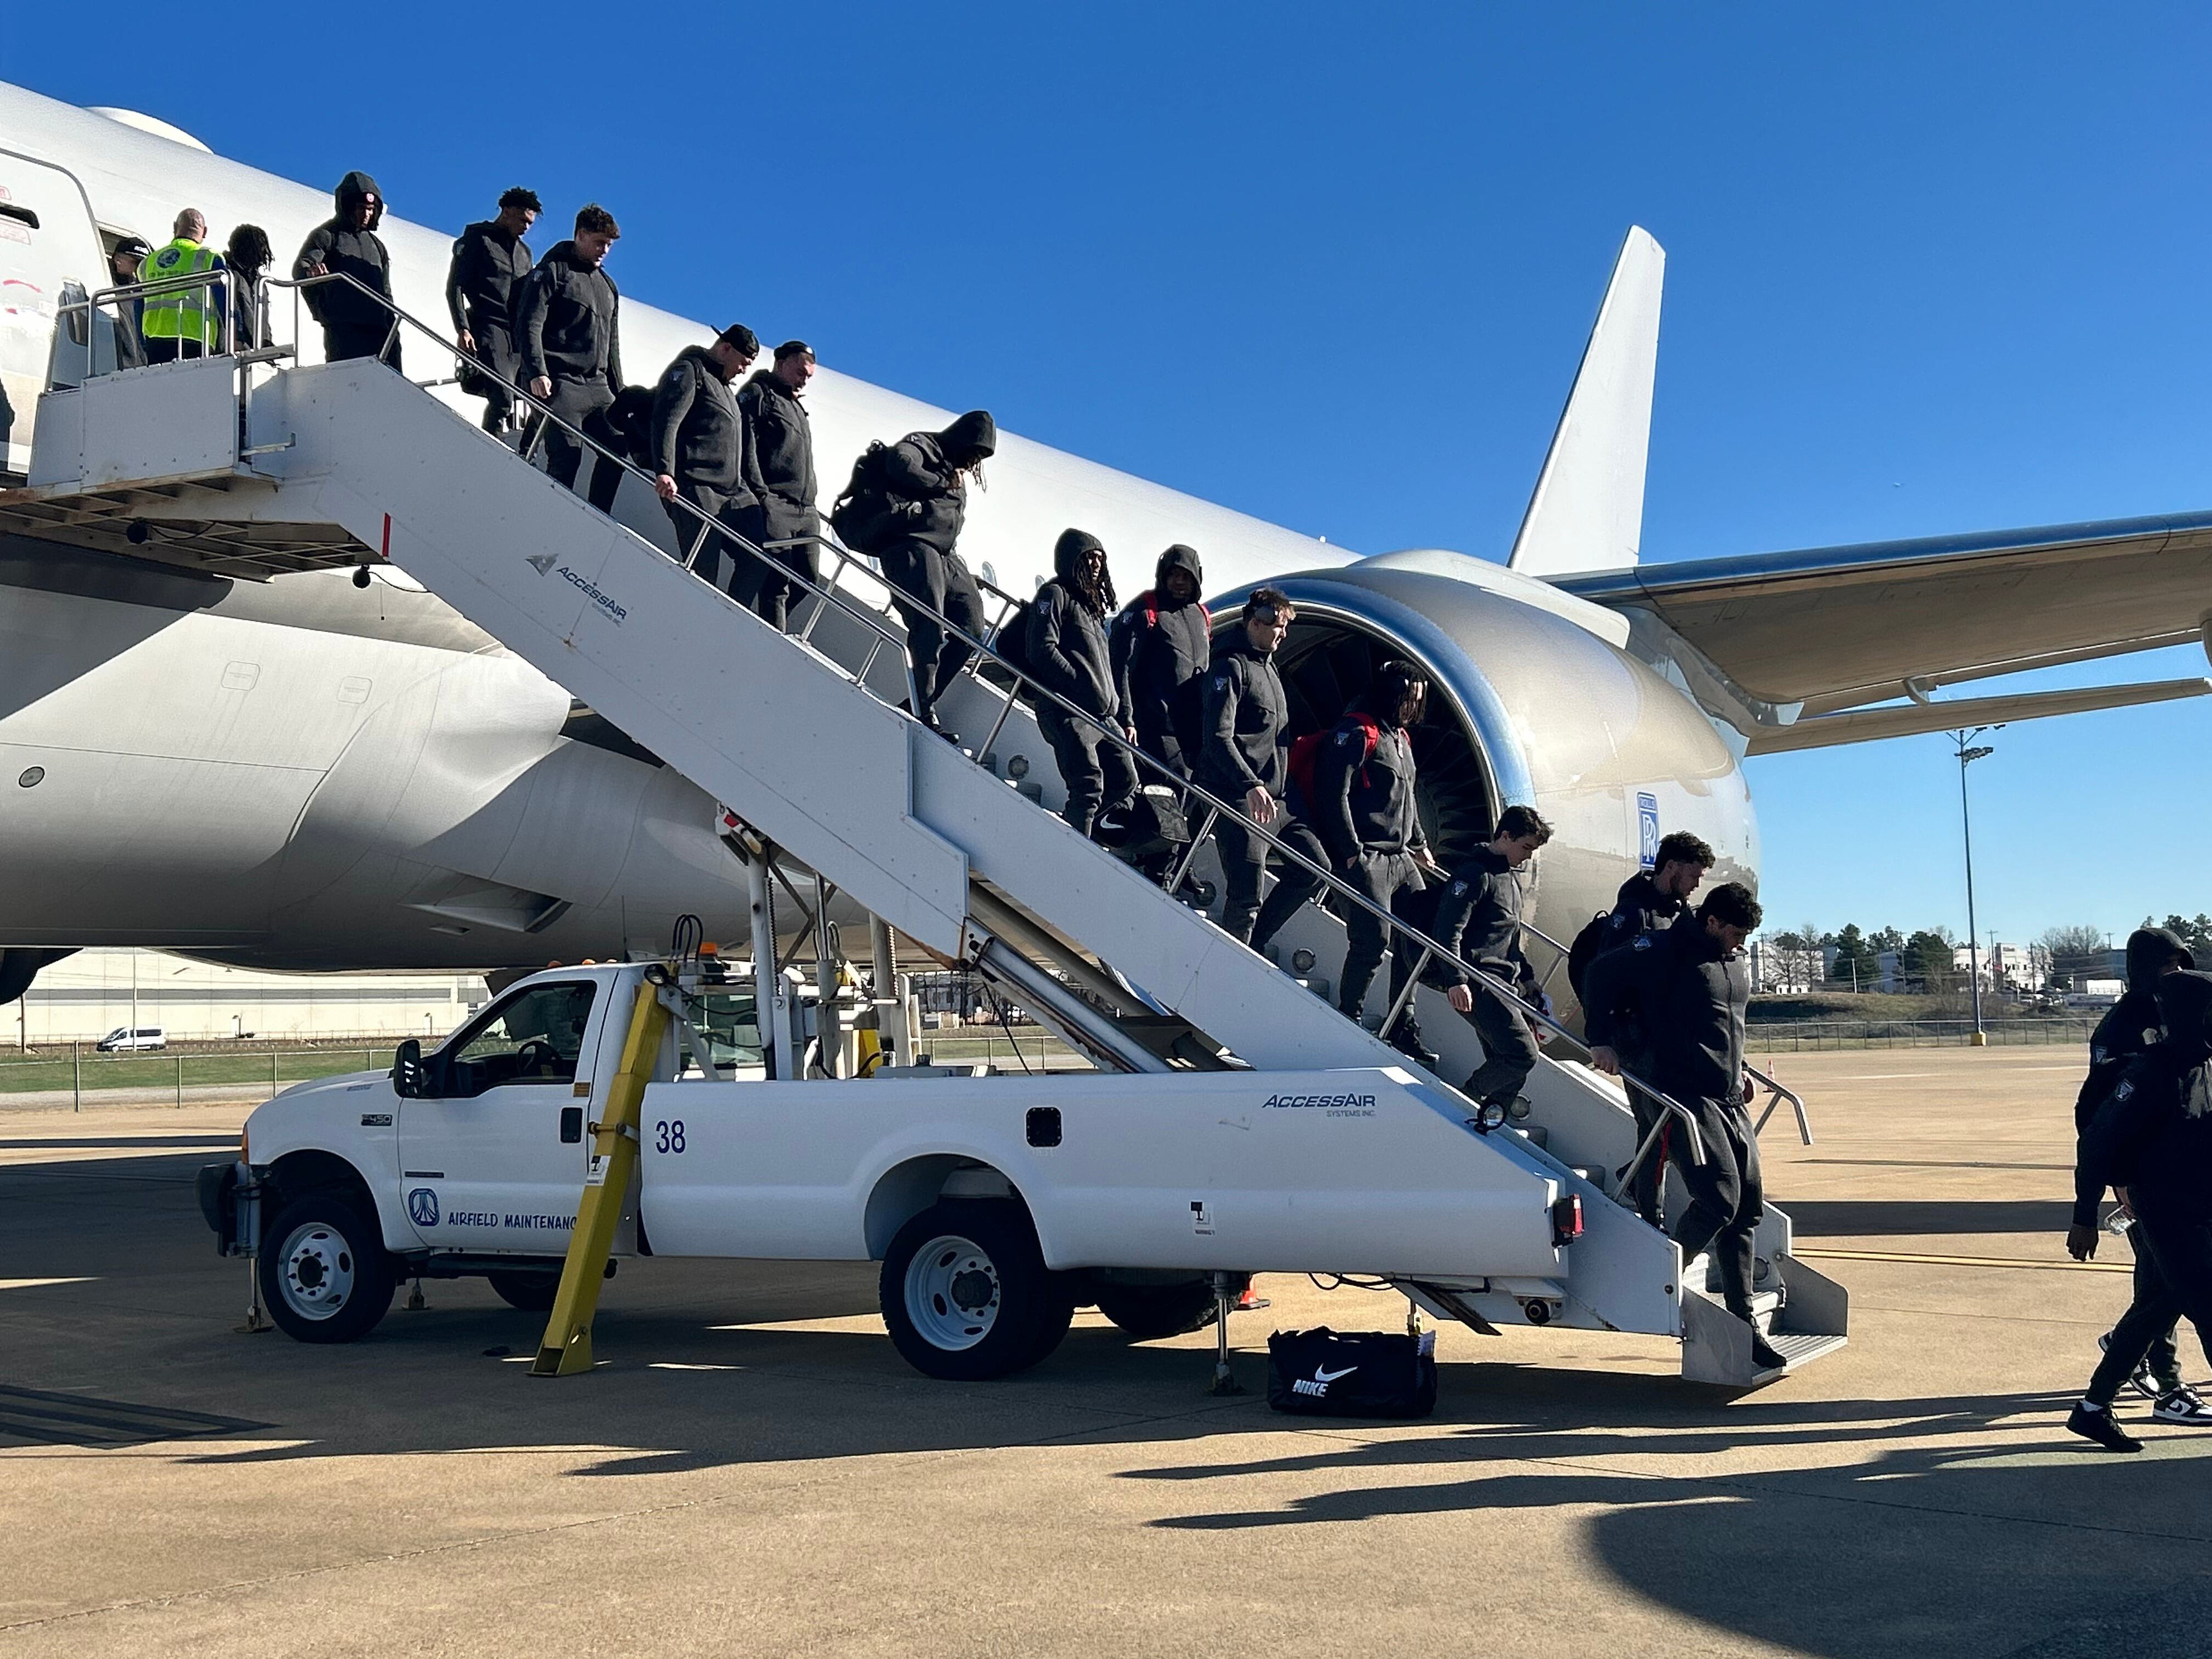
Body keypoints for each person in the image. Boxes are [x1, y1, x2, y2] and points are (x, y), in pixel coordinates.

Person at [1585, 882, 1784, 1372]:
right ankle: (1660, 1276)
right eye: (1735, 933)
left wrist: (1740, 1069)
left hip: (1729, 1097)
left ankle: (1743, 1323)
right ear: (1712, 920)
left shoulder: (1732, 961)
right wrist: (1600, 1040)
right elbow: (1597, 974)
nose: (1740, 945)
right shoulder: (1663, 949)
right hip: (1683, 1097)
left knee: (1746, 1211)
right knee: (1718, 1200)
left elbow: (1725, 1022)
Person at [2066, 969, 2212, 1450]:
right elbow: (2097, 1143)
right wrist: (2083, 1215)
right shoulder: (2149, 1073)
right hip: (2167, 1211)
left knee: (2156, 1307)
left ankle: (2091, 1409)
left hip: (2199, 1205)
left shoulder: (2205, 1066)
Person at [1578, 830, 1717, 1223]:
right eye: (1692, 876)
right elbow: (1600, 976)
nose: (1695, 886)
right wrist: (1601, 1039)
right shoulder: (1633, 915)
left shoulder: (1675, 912)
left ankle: (1636, 1180)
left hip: (1662, 1033)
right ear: (1670, 867)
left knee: (1660, 1125)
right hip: (1634, 1035)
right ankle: (1648, 1209)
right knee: (1659, 1123)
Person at [1310, 662, 1443, 1024]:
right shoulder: (1356, 733)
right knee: (1371, 941)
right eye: (1407, 699)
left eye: (1417, 700)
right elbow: (1331, 794)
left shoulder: (1401, 740)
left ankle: (1402, 1020)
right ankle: (1348, 1017)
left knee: (1416, 939)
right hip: (1367, 857)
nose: (1412, 708)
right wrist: (1351, 852)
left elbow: (1408, 797)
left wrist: (1418, 843)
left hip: (1401, 858)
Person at [1419, 806, 1556, 1113]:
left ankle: (1488, 1120)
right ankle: (1462, 1102)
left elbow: (1508, 936)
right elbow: (1447, 929)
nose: (1529, 856)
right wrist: (1456, 980)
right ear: (1506, 836)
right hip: (1479, 981)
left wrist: (1527, 976)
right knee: (1522, 1055)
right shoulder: (1475, 873)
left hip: (1505, 983)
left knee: (1508, 1067)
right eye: (1526, 847)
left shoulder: (1509, 879)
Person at [874, 411, 995, 732]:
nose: (974, 462)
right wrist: (940, 482)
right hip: (913, 545)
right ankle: (923, 707)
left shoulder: (960, 472)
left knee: (972, 627)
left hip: (946, 554)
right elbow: (900, 461)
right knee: (930, 624)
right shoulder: (925, 446)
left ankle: (921, 700)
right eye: (974, 453)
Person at [1199, 589, 1300, 944]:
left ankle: (1255, 944)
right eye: (1277, 625)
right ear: (1254, 622)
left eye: (1286, 627)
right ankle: (1234, 963)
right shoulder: (1231, 666)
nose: (1283, 634)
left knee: (1313, 867)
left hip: (1275, 801)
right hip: (1240, 797)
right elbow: (1217, 736)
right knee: (1246, 895)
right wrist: (1249, 783)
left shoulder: (1271, 671)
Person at [1027, 529, 1140, 837]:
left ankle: (1090, 831)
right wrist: (1078, 684)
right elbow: (1041, 649)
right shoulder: (1055, 595)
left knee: (1127, 780)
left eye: (1100, 559)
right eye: (1088, 557)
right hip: (1068, 710)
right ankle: (1077, 845)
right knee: (1088, 784)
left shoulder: (1092, 610)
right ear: (1070, 559)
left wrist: (1118, 710)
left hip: (1102, 716)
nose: (1095, 564)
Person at [516, 205, 625, 504]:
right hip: (560, 382)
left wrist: (621, 391)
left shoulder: (608, 287)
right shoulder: (553, 271)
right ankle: (554, 518)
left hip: (598, 386)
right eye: (599, 242)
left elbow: (612, 344)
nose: (604, 250)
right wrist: (537, 371)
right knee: (567, 455)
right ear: (580, 235)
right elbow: (530, 322)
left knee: (617, 447)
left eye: (609, 245)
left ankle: (597, 514)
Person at [649, 325, 764, 598]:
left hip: (733, 494)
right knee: (704, 572)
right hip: (697, 489)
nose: (744, 371)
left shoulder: (727, 391)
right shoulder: (691, 371)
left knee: (758, 558)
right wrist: (665, 471)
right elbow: (667, 421)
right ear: (726, 349)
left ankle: (732, 617)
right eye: (743, 363)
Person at [735, 340, 820, 630]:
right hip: (776, 503)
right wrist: (762, 496)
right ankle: (768, 634)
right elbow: (744, 446)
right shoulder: (759, 394)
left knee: (809, 579)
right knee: (776, 582)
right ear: (781, 363)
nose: (804, 379)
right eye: (800, 371)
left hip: (806, 511)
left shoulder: (797, 406)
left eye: (808, 376)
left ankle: (765, 625)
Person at [1109, 545, 1209, 779]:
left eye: (1186, 576)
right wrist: (1126, 719)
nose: (1179, 582)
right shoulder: (1145, 610)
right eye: (1173, 575)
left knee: (1189, 793)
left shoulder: (1201, 615)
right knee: (1165, 790)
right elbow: (1120, 667)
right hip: (1153, 727)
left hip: (1192, 731)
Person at [446, 187, 539, 433]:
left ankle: (524, 449)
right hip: (488, 326)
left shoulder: (525, 254)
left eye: (530, 223)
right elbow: (455, 286)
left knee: (536, 398)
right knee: (503, 396)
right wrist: (463, 328)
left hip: (517, 335)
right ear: (506, 212)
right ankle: (492, 445)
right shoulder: (478, 238)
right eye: (522, 220)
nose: (526, 227)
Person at [293, 172, 397, 367]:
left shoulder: (378, 247)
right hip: (343, 327)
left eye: (371, 209)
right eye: (361, 208)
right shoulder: (327, 236)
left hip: (379, 329)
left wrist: (393, 334)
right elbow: (302, 266)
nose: (367, 214)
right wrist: (312, 274)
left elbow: (387, 293)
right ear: (348, 206)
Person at [141, 210, 226, 364]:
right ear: (205, 231)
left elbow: (138, 304)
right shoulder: (210, 258)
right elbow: (224, 301)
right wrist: (237, 336)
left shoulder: (148, 262)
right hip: (195, 338)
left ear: (175, 227)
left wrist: (141, 342)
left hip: (155, 340)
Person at [223, 225, 273, 354]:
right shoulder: (226, 275)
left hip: (255, 350)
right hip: (233, 347)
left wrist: (266, 344)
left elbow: (264, 320)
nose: (263, 253)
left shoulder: (260, 283)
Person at [105, 235, 151, 371]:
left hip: (142, 369)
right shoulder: (105, 289)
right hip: (118, 367)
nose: (140, 268)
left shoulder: (143, 293)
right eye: (136, 263)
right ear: (118, 260)